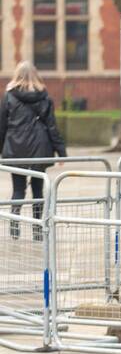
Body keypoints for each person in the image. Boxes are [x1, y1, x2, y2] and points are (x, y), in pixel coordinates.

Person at [0, 61, 66, 240]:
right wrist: (61, 152)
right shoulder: (44, 97)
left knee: (18, 189)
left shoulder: (8, 97)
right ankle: (38, 229)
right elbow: (52, 126)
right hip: (40, 147)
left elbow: (2, 126)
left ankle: (14, 226)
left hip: (15, 148)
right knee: (38, 189)